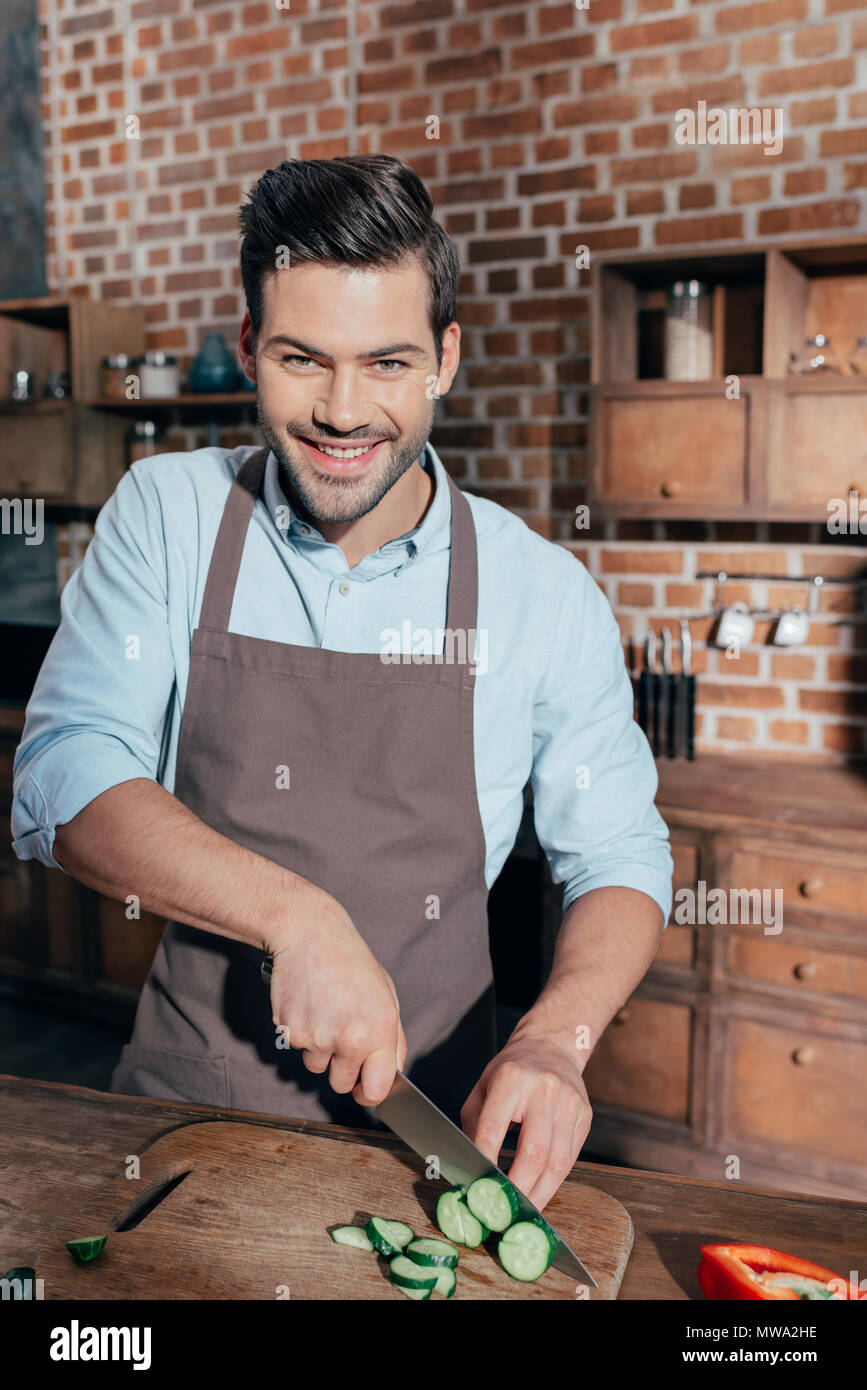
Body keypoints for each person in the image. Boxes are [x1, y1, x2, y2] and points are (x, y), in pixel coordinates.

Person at [12, 155, 672, 1211]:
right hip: (187, 1128)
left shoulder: (539, 591)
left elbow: (623, 855)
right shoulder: (169, 515)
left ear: (446, 359)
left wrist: (555, 1039)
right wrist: (296, 918)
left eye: (387, 362)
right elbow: (61, 775)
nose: (343, 409)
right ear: (247, 350)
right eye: (302, 358)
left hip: (443, 1139)